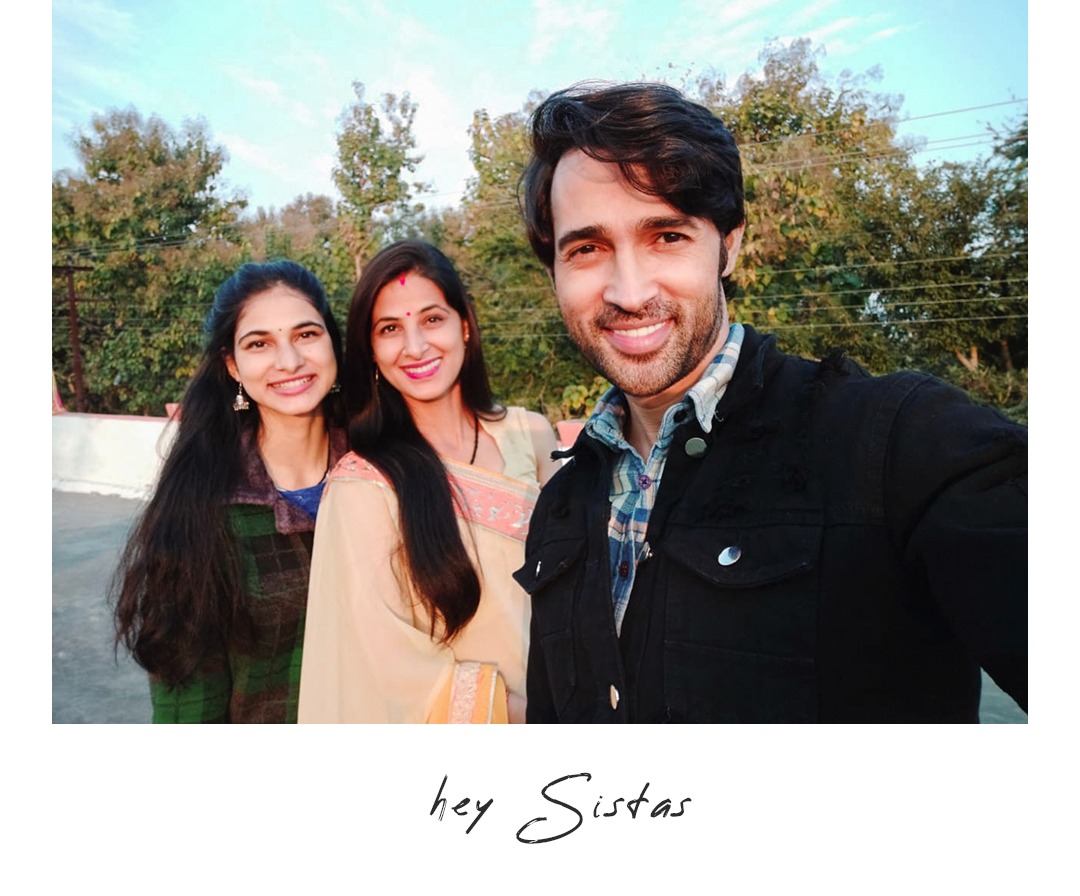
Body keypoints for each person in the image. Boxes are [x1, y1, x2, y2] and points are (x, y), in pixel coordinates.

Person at [514, 82, 1028, 723]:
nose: (629, 290)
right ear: (555, 271)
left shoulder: (895, 444)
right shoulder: (560, 507)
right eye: (587, 249)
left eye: (667, 236)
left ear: (728, 245)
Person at [298, 240, 559, 723]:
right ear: (371, 351)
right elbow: (381, 662)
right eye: (390, 329)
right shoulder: (365, 484)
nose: (415, 347)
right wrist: (528, 716)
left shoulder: (531, 435)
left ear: (464, 325)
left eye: (432, 319)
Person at [113, 260, 348, 723]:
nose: (289, 361)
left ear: (332, 342)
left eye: (306, 334)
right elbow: (186, 703)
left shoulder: (385, 472)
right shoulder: (201, 510)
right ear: (232, 365)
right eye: (259, 343)